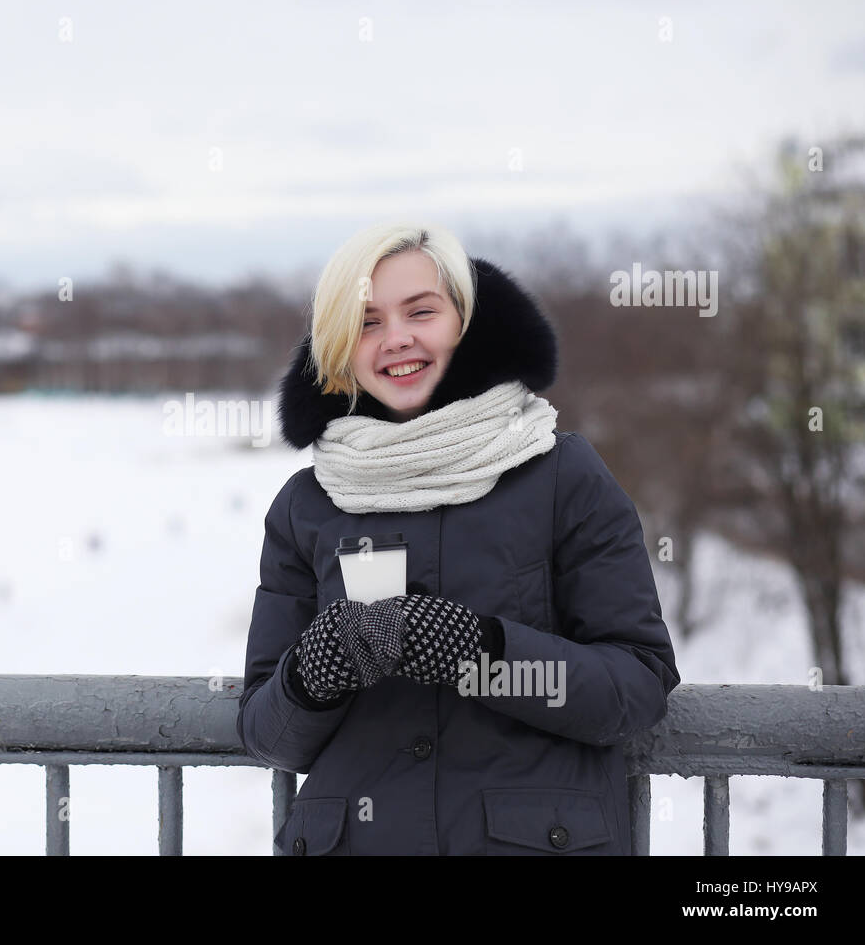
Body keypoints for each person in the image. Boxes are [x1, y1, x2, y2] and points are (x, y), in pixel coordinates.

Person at [237, 222, 680, 855]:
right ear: (340, 346)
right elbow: (267, 735)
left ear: (464, 322)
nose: (397, 339)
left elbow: (636, 686)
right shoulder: (305, 505)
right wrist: (312, 673)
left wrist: (485, 655)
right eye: (366, 322)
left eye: (422, 311)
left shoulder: (560, 474)